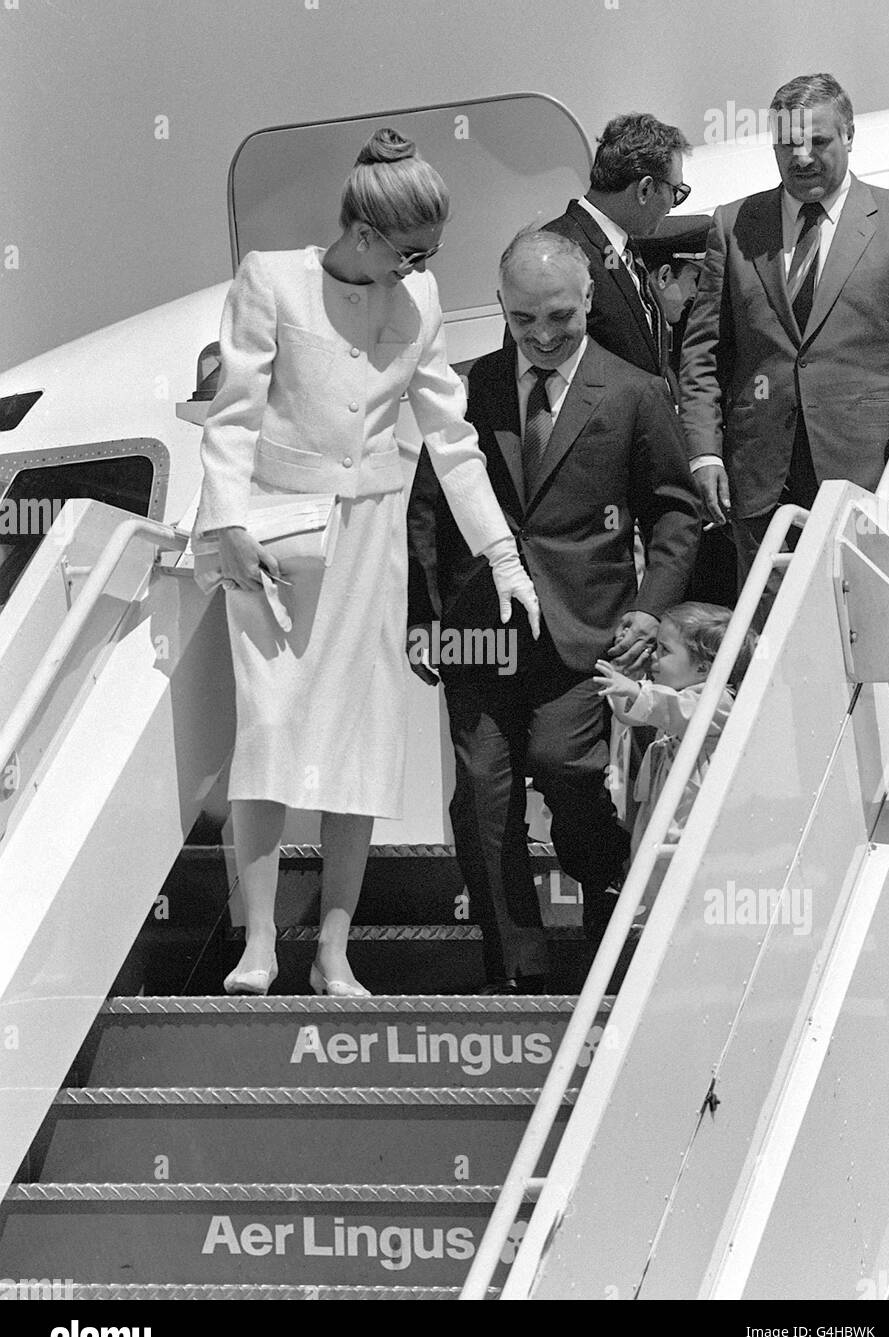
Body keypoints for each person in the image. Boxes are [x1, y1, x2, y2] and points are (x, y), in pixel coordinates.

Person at [194, 127, 539, 997]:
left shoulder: (415, 302)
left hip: (375, 540)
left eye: (430, 253)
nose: (420, 269)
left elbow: (452, 445)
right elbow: (232, 416)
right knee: (268, 731)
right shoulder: (272, 280)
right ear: (363, 233)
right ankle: (260, 943)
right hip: (275, 536)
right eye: (411, 251)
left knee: (357, 743)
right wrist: (227, 523)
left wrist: (502, 556)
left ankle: (332, 952)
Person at [406, 228, 701, 992]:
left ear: (587, 303)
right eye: (524, 319)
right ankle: (515, 963)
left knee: (564, 766)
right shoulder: (466, 390)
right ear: (502, 307)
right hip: (478, 631)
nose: (541, 335)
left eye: (560, 318)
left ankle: (603, 878)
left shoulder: (633, 391)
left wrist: (648, 609)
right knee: (481, 797)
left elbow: (672, 514)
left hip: (586, 630)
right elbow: (427, 512)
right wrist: (421, 619)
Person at [680, 73, 889, 620]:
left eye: (818, 141)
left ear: (850, 134)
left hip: (872, 479)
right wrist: (705, 450)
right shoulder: (734, 224)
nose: (803, 157)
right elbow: (702, 354)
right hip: (762, 483)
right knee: (771, 644)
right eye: (787, 144)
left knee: (870, 637)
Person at [594, 601, 757, 914]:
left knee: (685, 882)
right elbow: (639, 715)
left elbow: (675, 709)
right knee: (651, 871)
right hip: (661, 812)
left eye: (664, 651)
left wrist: (635, 691)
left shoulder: (721, 701)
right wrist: (619, 687)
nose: (653, 658)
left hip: (691, 815)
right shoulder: (672, 697)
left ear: (704, 667)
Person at [543, 112, 693, 396]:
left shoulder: (623, 249)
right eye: (676, 192)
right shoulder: (558, 252)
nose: (673, 206)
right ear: (646, 189)